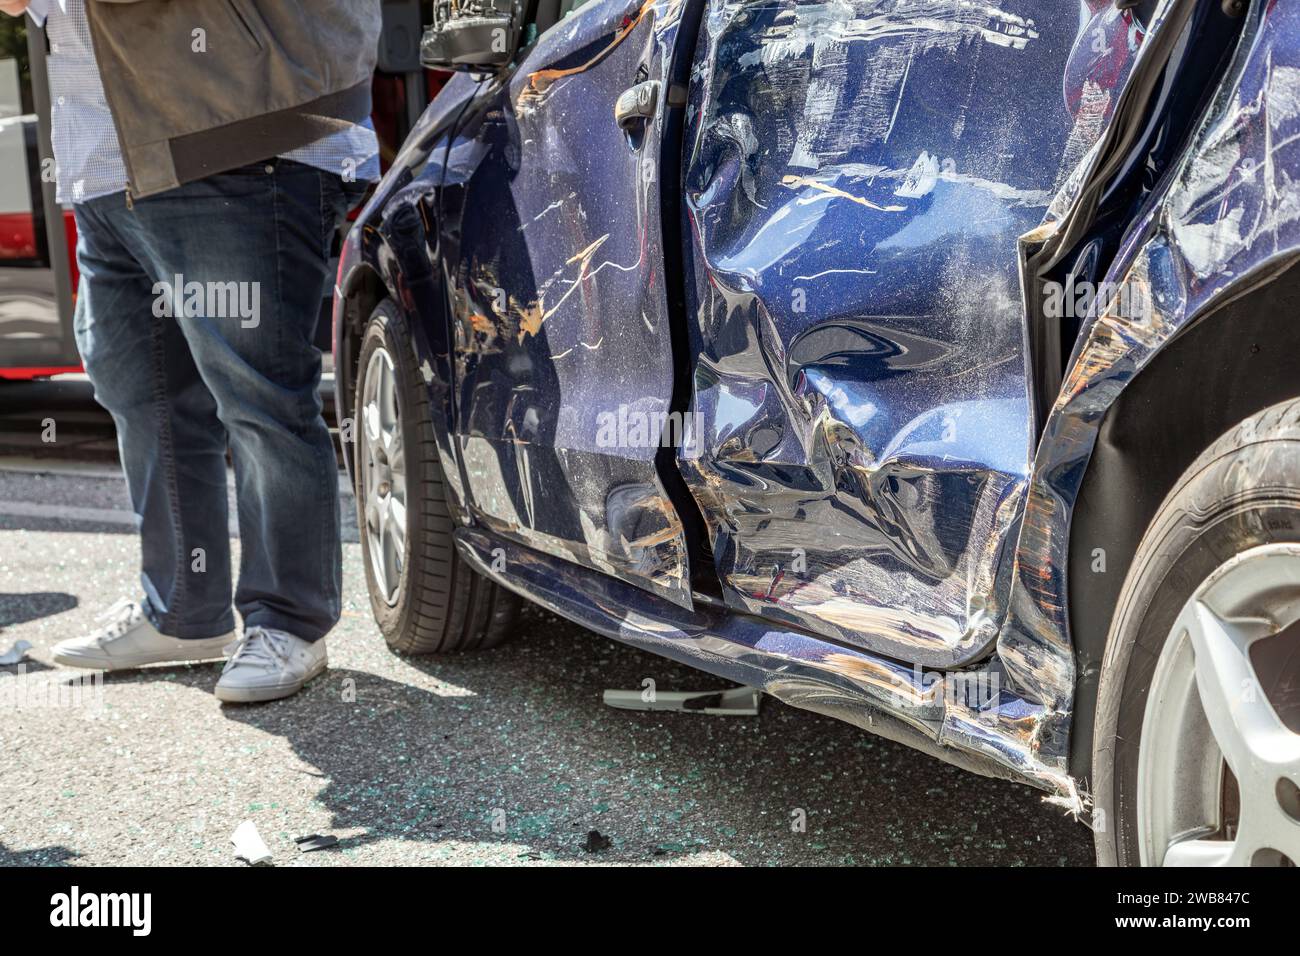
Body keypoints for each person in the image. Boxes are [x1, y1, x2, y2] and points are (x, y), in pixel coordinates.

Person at [0, 0, 381, 701]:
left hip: (239, 135)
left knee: (257, 392)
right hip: (107, 156)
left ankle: (288, 620)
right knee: (137, 387)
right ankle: (182, 610)